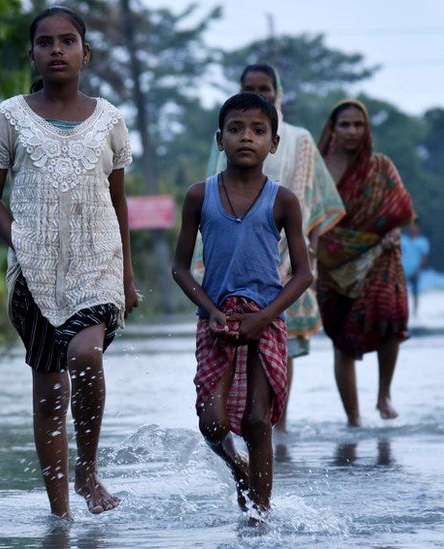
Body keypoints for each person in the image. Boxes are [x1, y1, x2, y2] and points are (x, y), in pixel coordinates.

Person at [0, 6, 139, 520]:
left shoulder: (109, 120)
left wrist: (128, 277)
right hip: (34, 272)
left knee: (86, 356)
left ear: (85, 53)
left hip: (97, 262)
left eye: (67, 41)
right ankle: (60, 513)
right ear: (32, 54)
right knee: (50, 391)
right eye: (45, 42)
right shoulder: (10, 116)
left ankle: (87, 471)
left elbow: (119, 202)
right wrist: (20, 240)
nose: (56, 50)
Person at [172, 92, 313, 518]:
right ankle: (237, 466)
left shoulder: (282, 200)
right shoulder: (199, 196)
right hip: (215, 319)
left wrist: (264, 318)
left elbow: (303, 274)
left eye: (257, 130)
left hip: (265, 320)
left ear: (274, 143)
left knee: (256, 420)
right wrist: (212, 311)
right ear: (220, 140)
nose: (246, 137)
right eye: (235, 129)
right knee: (211, 422)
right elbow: (180, 268)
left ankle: (260, 517)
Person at [206, 63, 345, 433]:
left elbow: (312, 195)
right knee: (228, 341)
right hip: (237, 252)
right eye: (249, 87)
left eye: (265, 88)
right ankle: (236, 426)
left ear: (277, 93)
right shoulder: (229, 136)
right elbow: (212, 191)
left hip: (287, 252)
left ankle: (276, 424)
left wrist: (306, 253)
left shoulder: (298, 138)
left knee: (279, 338)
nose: (258, 93)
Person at [316, 99, 416, 427]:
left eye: (358, 124)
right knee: (341, 337)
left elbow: (399, 210)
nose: (351, 131)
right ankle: (353, 417)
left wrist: (394, 233)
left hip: (381, 255)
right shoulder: (318, 168)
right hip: (332, 260)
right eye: (344, 124)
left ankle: (384, 394)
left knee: (391, 320)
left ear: (367, 128)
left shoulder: (381, 166)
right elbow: (307, 213)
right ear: (332, 128)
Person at [400, 220, 430, 316]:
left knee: (415, 292)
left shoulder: (423, 241)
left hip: (415, 272)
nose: (412, 228)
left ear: (419, 228)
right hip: (402, 272)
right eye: (411, 226)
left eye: (414, 226)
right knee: (401, 293)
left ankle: (415, 312)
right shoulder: (403, 240)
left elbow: (424, 258)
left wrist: (418, 271)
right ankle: (402, 310)